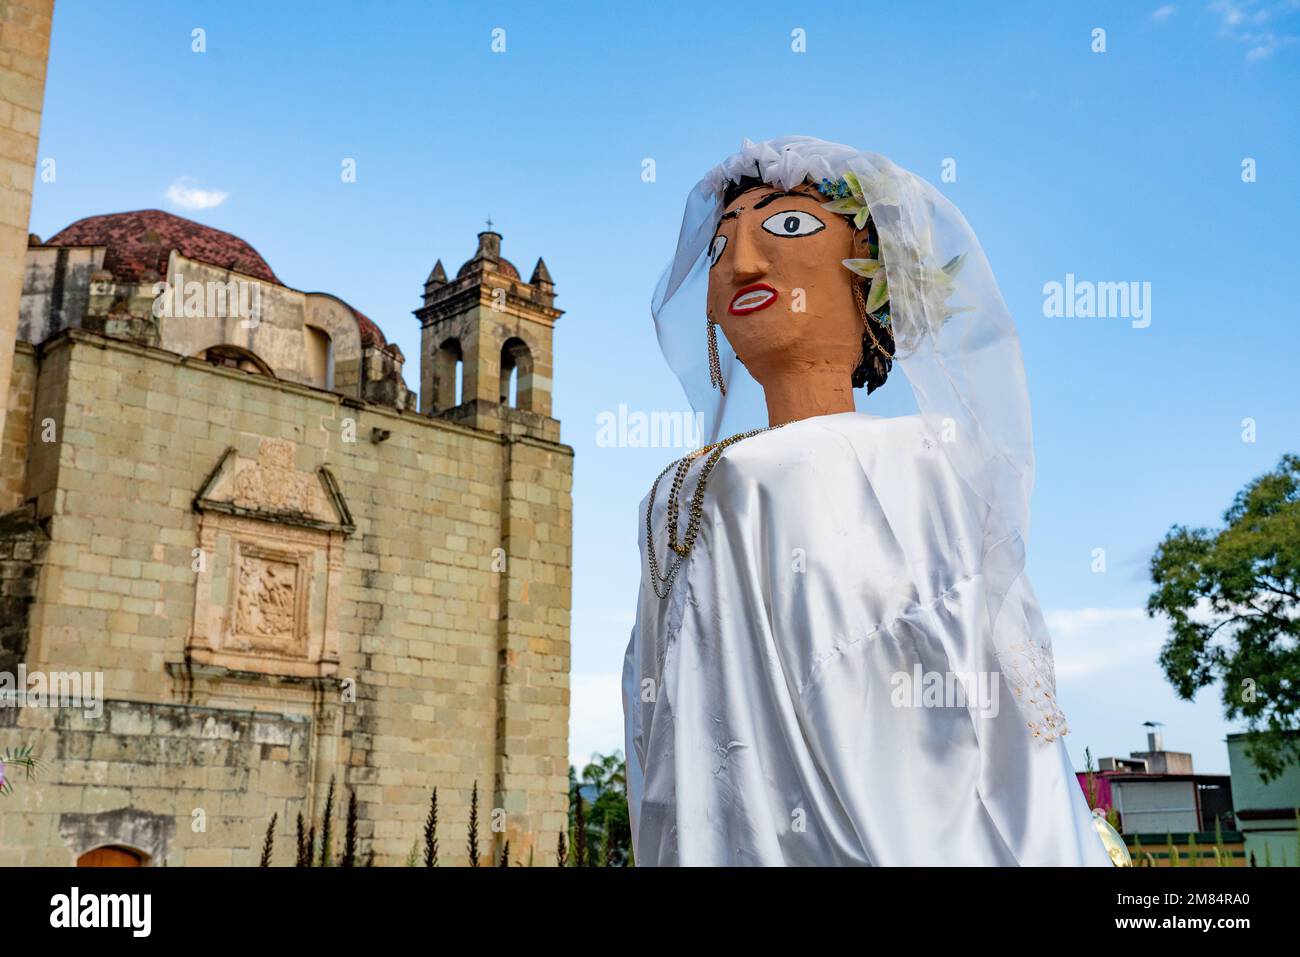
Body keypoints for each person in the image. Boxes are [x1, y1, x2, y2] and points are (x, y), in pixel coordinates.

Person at [621, 136, 1112, 866]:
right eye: (721, 245)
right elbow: (655, 720)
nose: (743, 263)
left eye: (788, 226)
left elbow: (979, 713)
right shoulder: (681, 488)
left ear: (873, 278)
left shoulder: (923, 464)